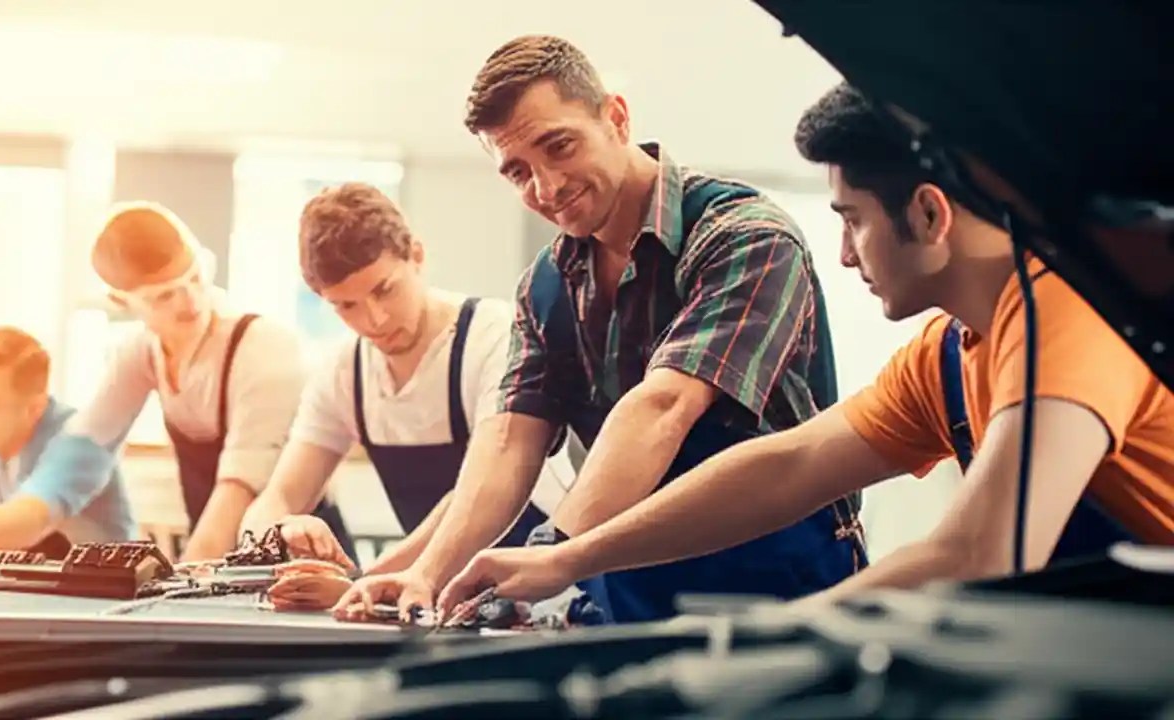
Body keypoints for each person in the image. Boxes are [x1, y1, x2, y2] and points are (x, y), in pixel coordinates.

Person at [436, 82, 1174, 613]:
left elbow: (980, 551)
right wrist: (566, 557)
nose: (847, 257)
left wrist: (780, 636)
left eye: (852, 221)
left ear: (928, 212)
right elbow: (790, 465)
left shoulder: (1069, 310)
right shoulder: (945, 357)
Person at [335, 35, 863, 624]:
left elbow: (663, 406)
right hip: (626, 598)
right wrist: (427, 574)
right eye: (517, 172)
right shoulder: (545, 287)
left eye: (558, 146)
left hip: (776, 593)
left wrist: (547, 557)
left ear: (615, 116)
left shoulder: (745, 238)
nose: (547, 187)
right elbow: (510, 441)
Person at [0, 202, 313, 562]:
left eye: (195, 278)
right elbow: (67, 468)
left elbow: (239, 488)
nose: (191, 303)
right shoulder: (141, 353)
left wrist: (189, 577)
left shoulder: (262, 346)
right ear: (121, 302)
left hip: (300, 556)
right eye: (163, 295)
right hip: (225, 565)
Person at [239, 182, 575, 572]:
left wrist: (367, 579)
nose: (374, 320)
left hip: (549, 583)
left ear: (416, 255)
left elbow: (478, 492)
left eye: (385, 290)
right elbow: (277, 496)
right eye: (346, 306)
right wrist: (279, 530)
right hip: (440, 588)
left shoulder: (495, 336)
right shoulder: (344, 372)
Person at [0, 327, 133, 558]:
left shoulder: (80, 441)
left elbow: (17, 534)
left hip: (102, 588)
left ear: (34, 409)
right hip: (17, 587)